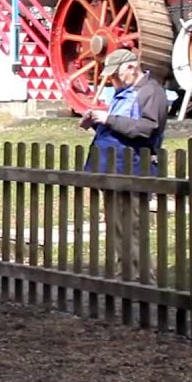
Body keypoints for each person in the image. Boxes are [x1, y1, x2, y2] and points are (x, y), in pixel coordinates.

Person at [80, 48, 166, 282]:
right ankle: (125, 273)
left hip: (134, 168)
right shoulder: (124, 92)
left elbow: (147, 129)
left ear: (131, 68)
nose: (114, 81)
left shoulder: (151, 92)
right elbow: (120, 129)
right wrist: (96, 124)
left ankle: (143, 279)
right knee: (117, 227)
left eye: (116, 76)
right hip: (111, 167)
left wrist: (109, 119)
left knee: (134, 227)